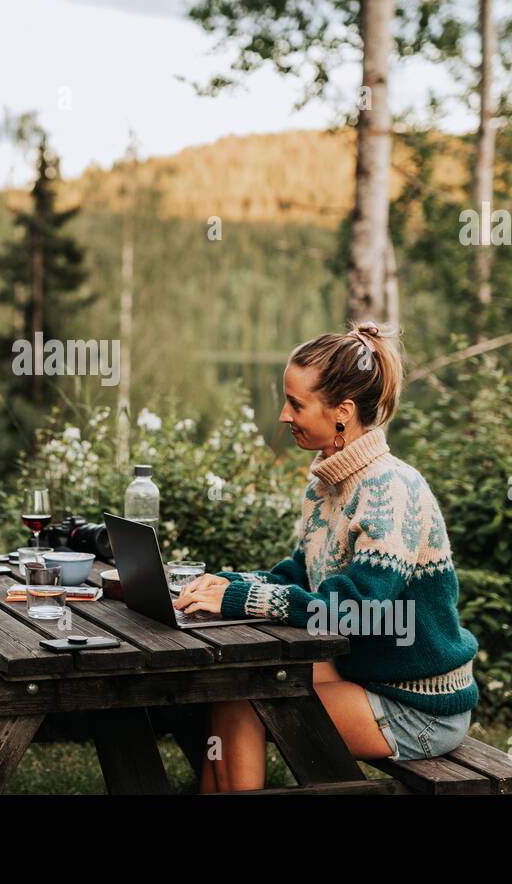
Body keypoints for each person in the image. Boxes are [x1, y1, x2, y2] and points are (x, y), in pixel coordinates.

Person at [175, 321, 479, 792]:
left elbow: (356, 609)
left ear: (343, 413)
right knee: (234, 684)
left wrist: (242, 600)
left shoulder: (391, 489)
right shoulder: (326, 486)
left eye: (296, 403)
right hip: (365, 673)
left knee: (251, 701)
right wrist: (224, 584)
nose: (283, 415)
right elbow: (299, 574)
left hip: (416, 703)